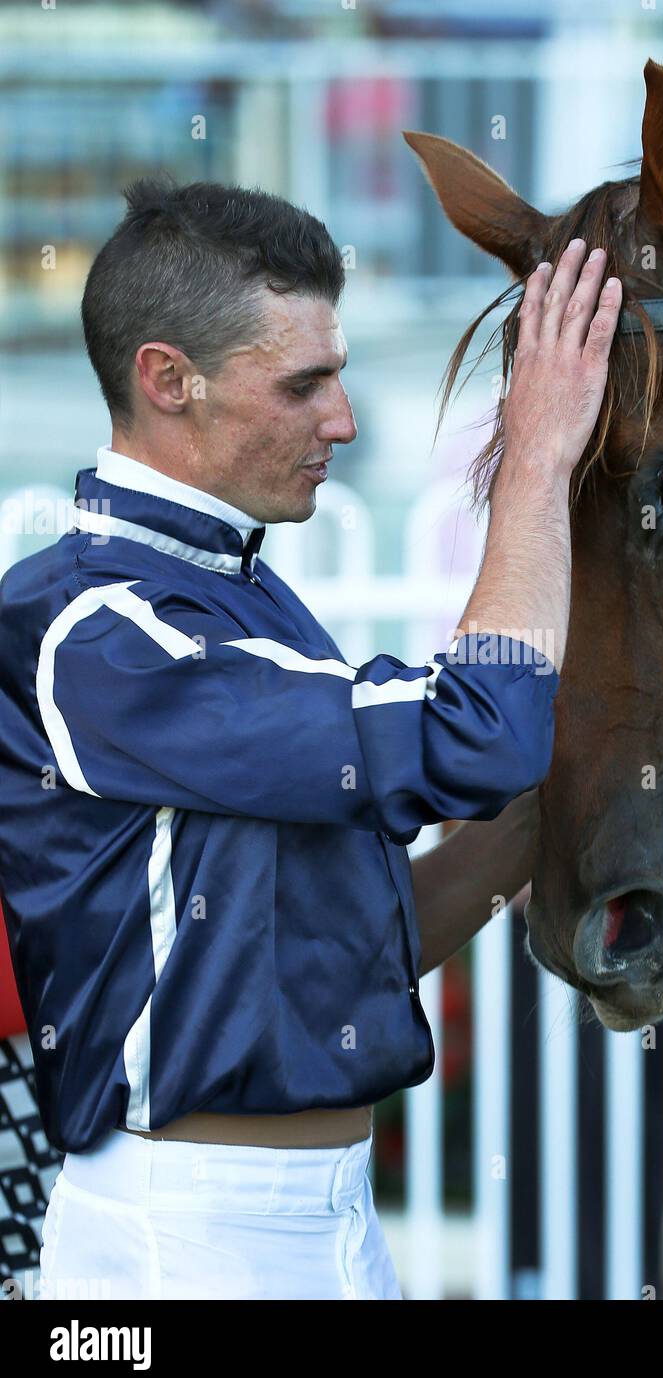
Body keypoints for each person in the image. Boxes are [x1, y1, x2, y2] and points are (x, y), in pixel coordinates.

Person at [0, 177, 622, 1299]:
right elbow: (470, 737)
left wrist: (562, 802)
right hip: (179, 1243)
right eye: (306, 383)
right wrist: (532, 455)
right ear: (166, 380)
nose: (342, 418)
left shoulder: (244, 596)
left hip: (326, 1225)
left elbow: (369, 946)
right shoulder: (95, 627)